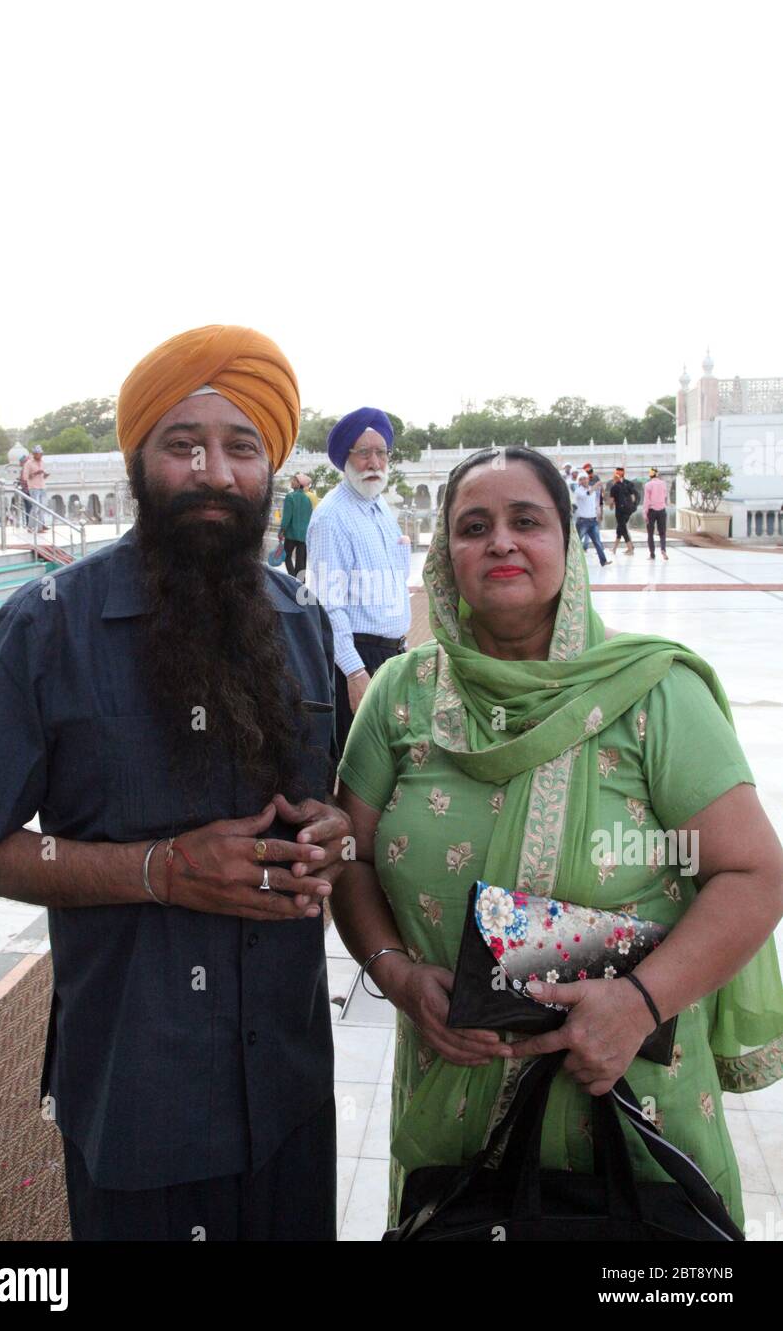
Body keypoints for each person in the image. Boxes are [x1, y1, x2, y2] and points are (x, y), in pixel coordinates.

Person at [0, 323, 352, 1243]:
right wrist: (157, 870)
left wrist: (332, 835)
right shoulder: (49, 627)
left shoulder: (300, 622)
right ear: (139, 460)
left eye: (241, 446)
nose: (214, 471)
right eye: (184, 444)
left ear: (270, 468)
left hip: (286, 1085)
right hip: (140, 1090)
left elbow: (333, 813)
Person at [330, 443, 783, 1232]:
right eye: (474, 526)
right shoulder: (402, 697)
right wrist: (396, 974)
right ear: (447, 556)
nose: (500, 541)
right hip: (455, 1099)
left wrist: (639, 1004)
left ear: (568, 546)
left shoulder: (653, 692)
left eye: (526, 521)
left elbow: (754, 874)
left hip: (630, 1101)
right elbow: (352, 856)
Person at [306, 406, 411, 754]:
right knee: (361, 764)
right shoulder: (331, 518)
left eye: (381, 452)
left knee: (393, 760)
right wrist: (354, 673)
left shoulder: (380, 507)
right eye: (363, 452)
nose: (374, 462)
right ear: (345, 459)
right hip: (356, 658)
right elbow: (327, 604)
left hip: (392, 657)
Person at [279, 473, 313, 578]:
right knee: (300, 561)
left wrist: (282, 530)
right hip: (304, 535)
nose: (291, 482)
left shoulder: (290, 497)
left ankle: (292, 579)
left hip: (291, 534)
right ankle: (300, 582)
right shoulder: (307, 499)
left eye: (294, 480)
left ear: (299, 484)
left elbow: (286, 517)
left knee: (286, 557)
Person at [573, 470, 608, 566]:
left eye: (585, 478)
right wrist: (595, 486)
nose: (584, 480)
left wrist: (599, 513)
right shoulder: (578, 491)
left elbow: (595, 503)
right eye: (581, 479)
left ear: (588, 479)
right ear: (579, 481)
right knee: (576, 543)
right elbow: (586, 495)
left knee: (597, 542)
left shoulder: (592, 489)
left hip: (593, 520)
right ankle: (572, 562)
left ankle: (603, 561)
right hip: (582, 522)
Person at [608, 466, 639, 557]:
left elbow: (611, 501)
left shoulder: (614, 487)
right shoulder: (627, 484)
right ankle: (614, 548)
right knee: (620, 528)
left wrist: (610, 506)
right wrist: (631, 507)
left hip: (620, 511)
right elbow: (633, 497)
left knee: (622, 529)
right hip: (628, 510)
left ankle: (630, 549)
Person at [644, 467, 669, 561]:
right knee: (662, 533)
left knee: (650, 534)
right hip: (662, 510)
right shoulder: (663, 484)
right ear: (657, 474)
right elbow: (665, 496)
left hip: (651, 511)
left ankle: (652, 555)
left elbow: (646, 500)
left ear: (650, 475)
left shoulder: (648, 485)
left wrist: (645, 513)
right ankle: (663, 549)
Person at [22, 445, 49, 531]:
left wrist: (45, 475)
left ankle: (40, 527)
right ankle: (30, 526)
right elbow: (25, 477)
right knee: (35, 507)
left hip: (42, 486)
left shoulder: (42, 463)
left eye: (41, 454)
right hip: (34, 488)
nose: (40, 455)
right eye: (38, 454)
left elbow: (43, 477)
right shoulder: (29, 463)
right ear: (34, 454)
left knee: (43, 507)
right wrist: (35, 473)